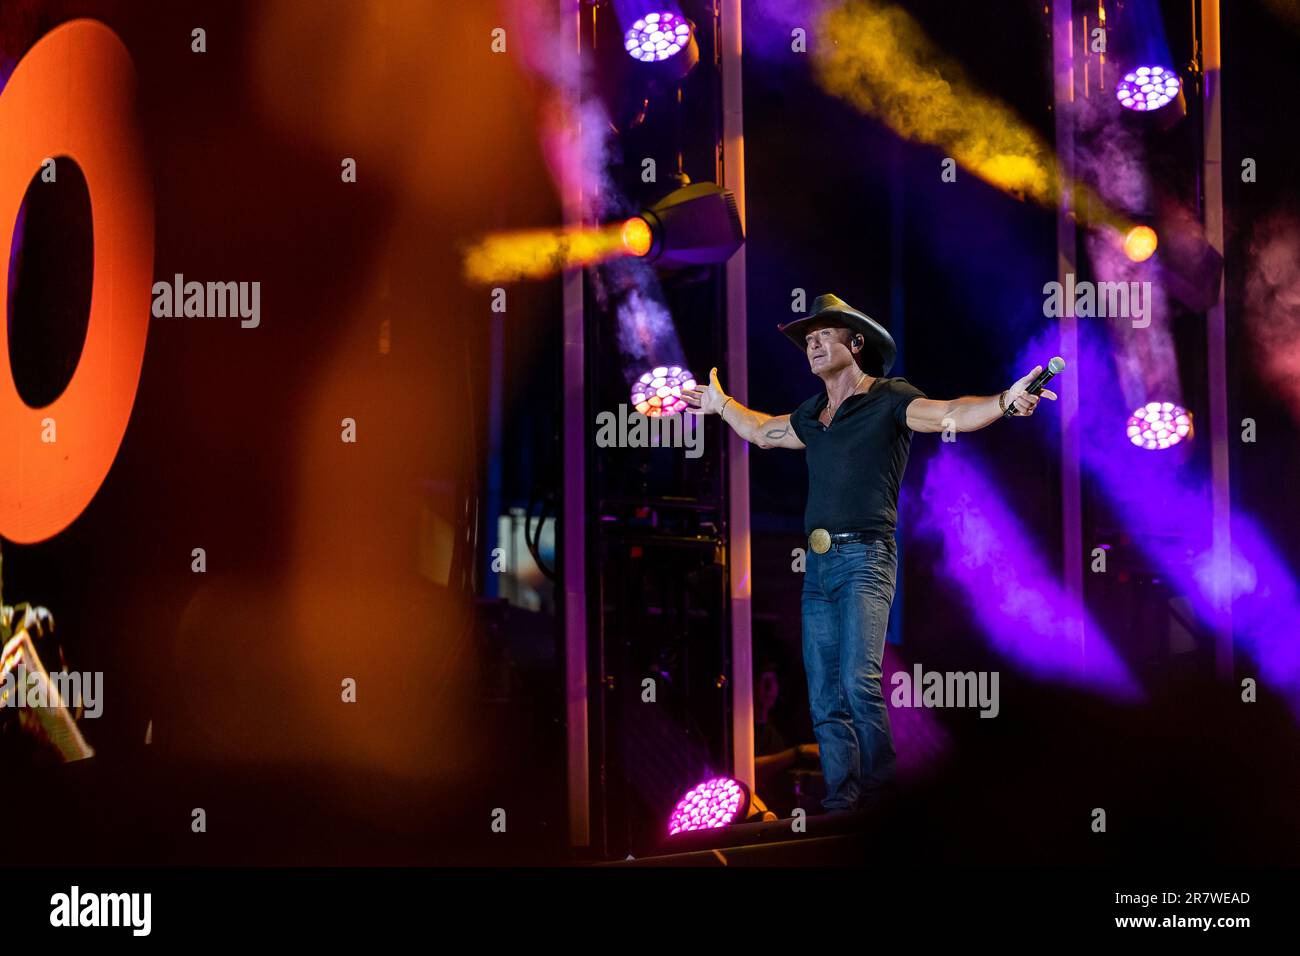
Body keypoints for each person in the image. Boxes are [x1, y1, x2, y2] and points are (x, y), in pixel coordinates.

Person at [683, 293, 1056, 812]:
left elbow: (949, 413)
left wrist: (1003, 401)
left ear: (854, 343)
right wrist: (721, 405)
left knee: (859, 680)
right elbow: (764, 431)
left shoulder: (889, 398)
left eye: (822, 336)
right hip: (817, 568)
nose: (812, 346)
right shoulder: (812, 413)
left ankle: (880, 803)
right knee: (824, 696)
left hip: (865, 560)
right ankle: (842, 805)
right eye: (807, 340)